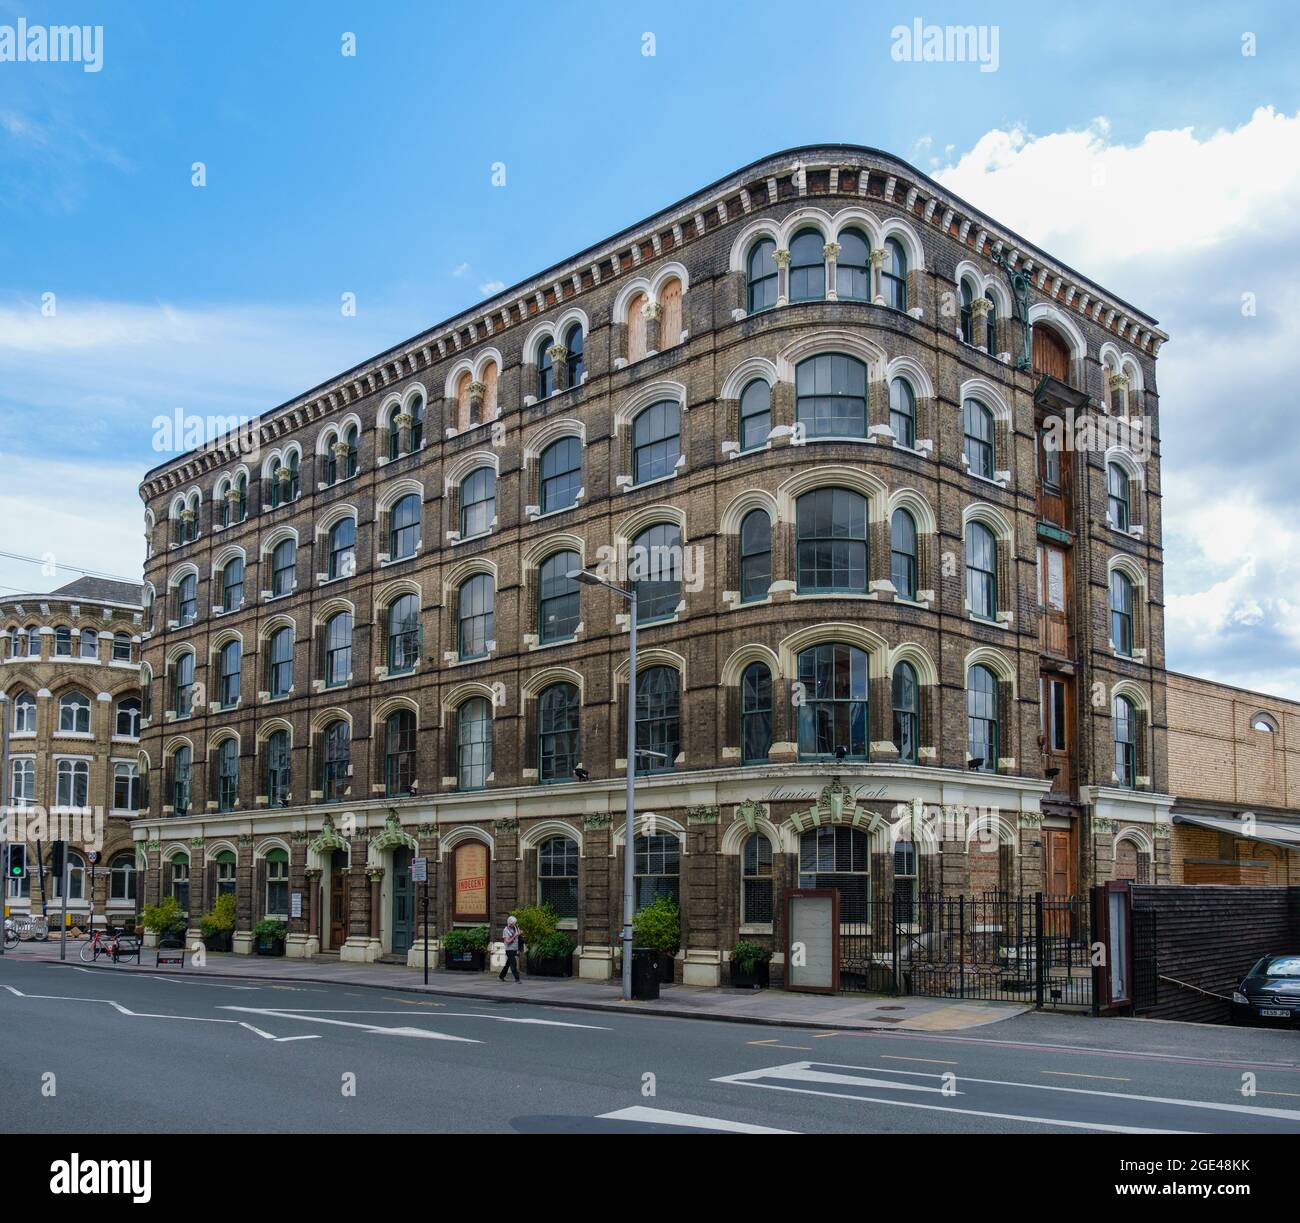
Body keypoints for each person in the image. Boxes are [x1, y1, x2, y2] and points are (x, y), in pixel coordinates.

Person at [499, 914, 522, 982]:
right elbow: (507, 941)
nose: (514, 924)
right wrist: (515, 936)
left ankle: (501, 976)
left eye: (514, 923)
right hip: (509, 949)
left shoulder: (516, 927)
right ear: (509, 923)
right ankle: (517, 979)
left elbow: (519, 933)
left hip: (514, 948)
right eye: (513, 923)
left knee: (508, 963)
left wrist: (520, 933)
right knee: (513, 963)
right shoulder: (506, 930)